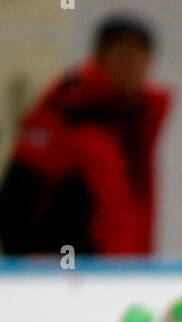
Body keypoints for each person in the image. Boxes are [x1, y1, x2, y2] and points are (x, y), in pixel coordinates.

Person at [0, 14, 171, 256]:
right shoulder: (64, 112)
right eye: (120, 54)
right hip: (72, 274)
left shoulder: (139, 119)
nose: (130, 64)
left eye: (138, 55)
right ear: (100, 58)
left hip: (123, 272)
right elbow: (16, 200)